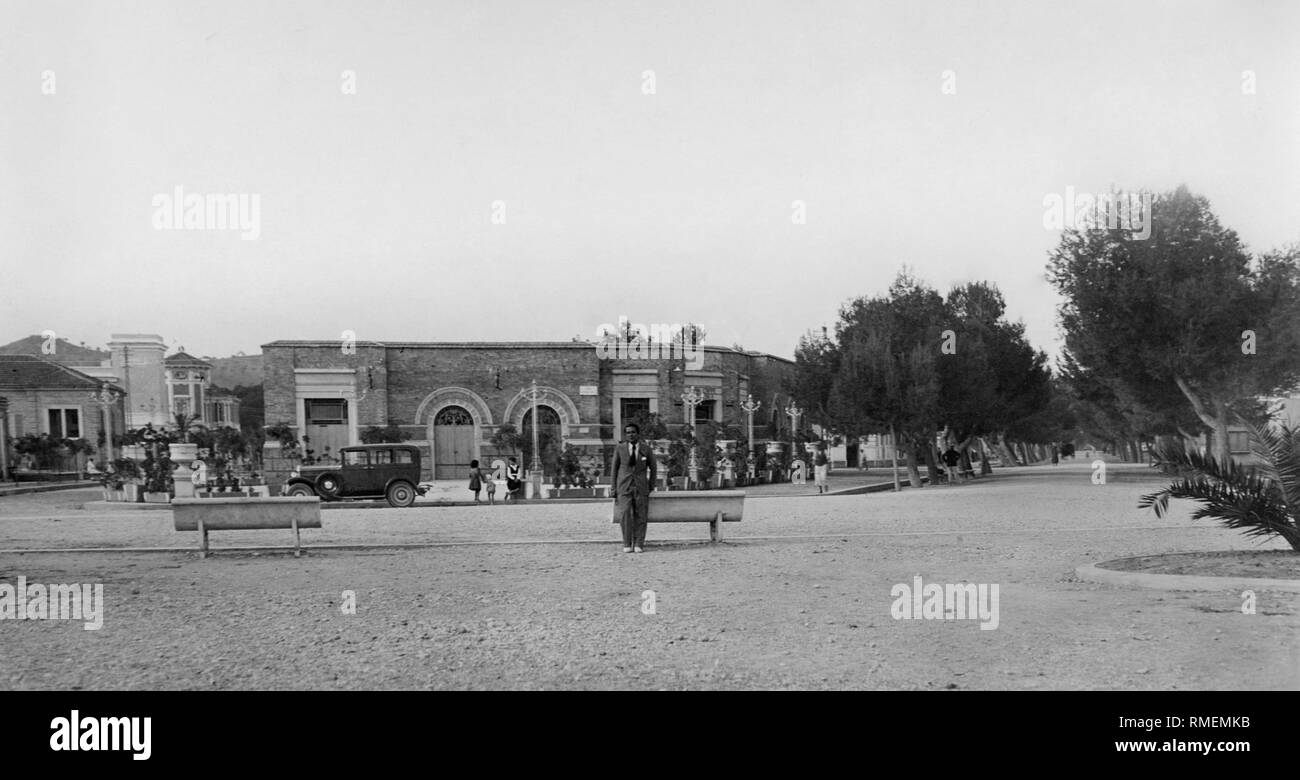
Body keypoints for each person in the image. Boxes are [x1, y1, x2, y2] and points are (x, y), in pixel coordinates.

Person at [611, 422, 656, 553]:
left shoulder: (646, 449)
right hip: (624, 487)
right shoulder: (620, 448)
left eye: (633, 432)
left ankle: (639, 543)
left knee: (641, 515)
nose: (631, 435)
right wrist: (613, 488)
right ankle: (627, 543)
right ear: (625, 435)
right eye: (628, 432)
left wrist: (651, 485)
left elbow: (653, 468)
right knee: (625, 513)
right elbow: (614, 469)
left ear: (638, 434)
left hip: (641, 487)